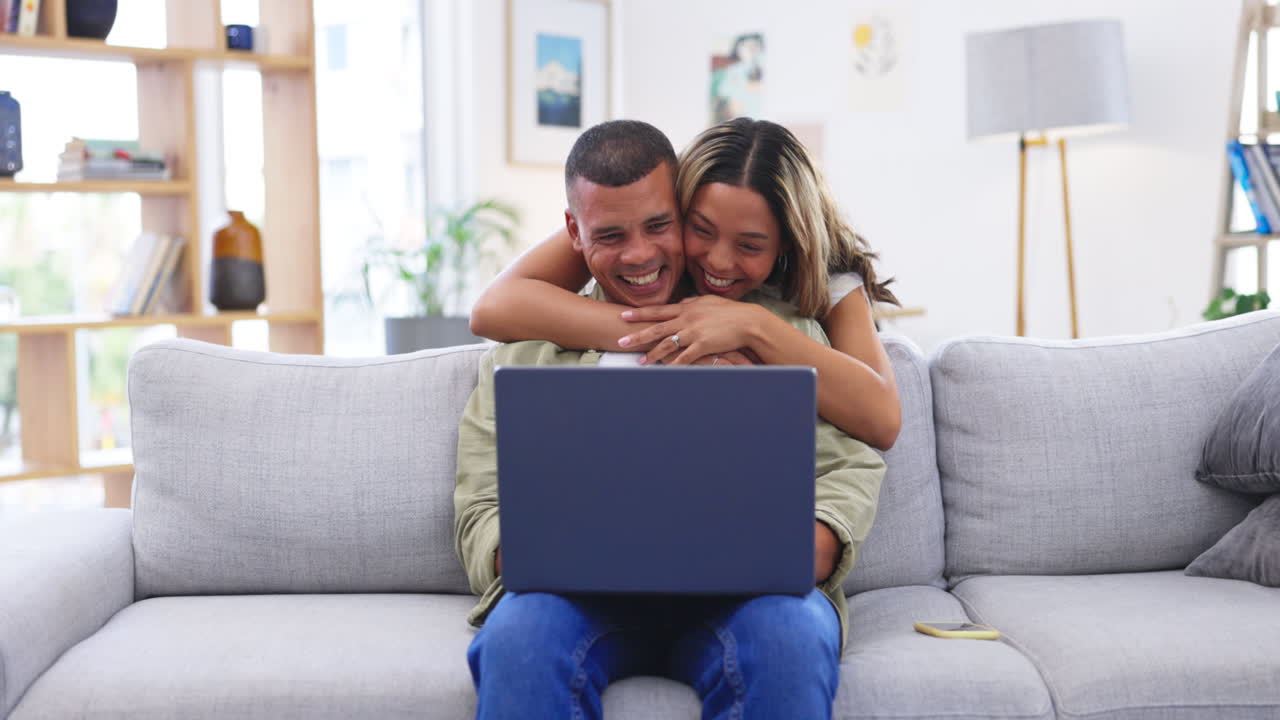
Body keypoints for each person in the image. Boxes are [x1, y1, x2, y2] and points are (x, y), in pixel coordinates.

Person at [455, 119, 885, 720]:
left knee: (790, 638)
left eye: (659, 225)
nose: (640, 253)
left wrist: (808, 544)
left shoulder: (786, 337)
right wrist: (529, 550)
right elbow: (481, 509)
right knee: (519, 641)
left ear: (678, 210)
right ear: (575, 232)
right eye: (611, 234)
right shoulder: (526, 351)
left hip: (750, 600)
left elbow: (853, 462)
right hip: (577, 601)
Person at [470, 117, 902, 451]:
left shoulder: (829, 277)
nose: (717, 260)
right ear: (680, 202)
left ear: (788, 241)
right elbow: (492, 307)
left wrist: (752, 326)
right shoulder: (628, 224)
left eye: (750, 245)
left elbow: (881, 420)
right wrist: (678, 332)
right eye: (701, 229)